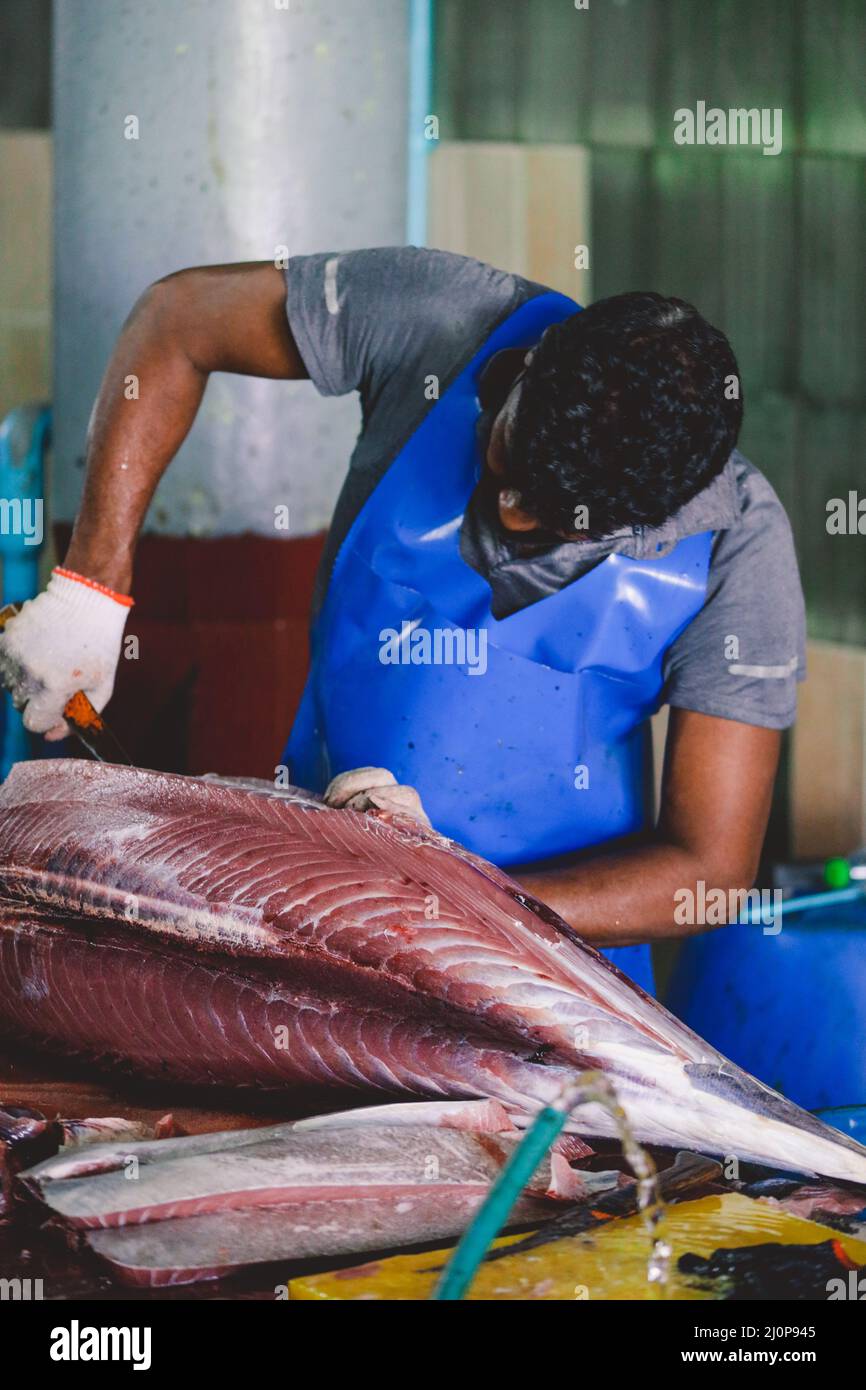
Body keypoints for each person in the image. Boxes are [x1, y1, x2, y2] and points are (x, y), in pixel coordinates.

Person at [0, 249, 806, 993]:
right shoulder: (442, 322)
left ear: (638, 524)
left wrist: (448, 904)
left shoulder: (738, 547)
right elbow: (178, 319)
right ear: (530, 363)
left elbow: (708, 869)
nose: (508, 515)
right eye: (503, 460)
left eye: (548, 521)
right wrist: (92, 588)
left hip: (552, 972)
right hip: (307, 910)